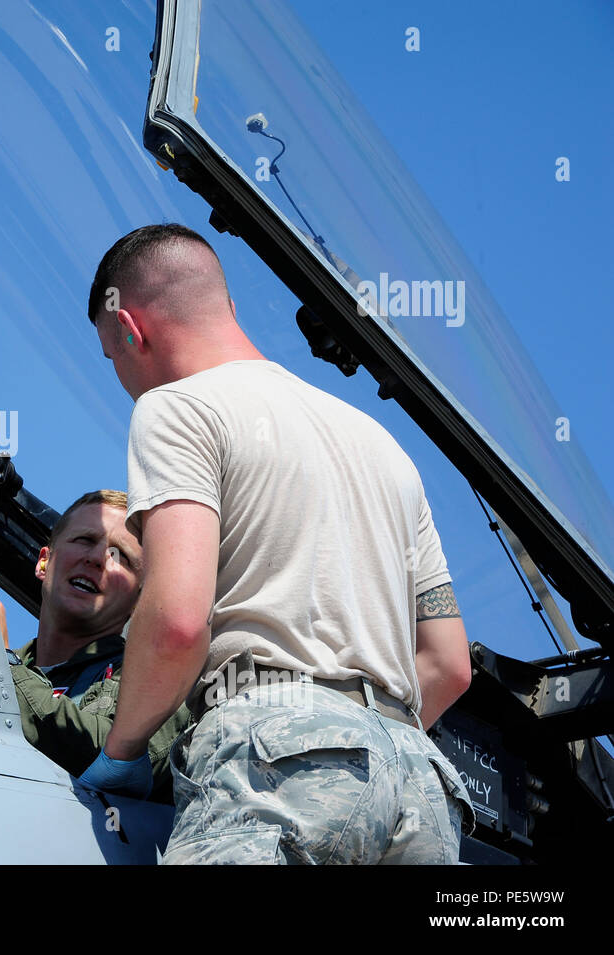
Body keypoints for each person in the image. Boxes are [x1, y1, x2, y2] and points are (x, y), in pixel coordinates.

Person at [76, 223, 475, 863]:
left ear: (130, 330)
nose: (120, 372)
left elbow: (178, 622)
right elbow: (451, 664)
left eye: (111, 354)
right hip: (420, 789)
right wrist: (356, 738)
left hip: (273, 766)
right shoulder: (385, 448)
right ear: (228, 307)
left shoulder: (178, 409)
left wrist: (121, 750)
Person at [10, 489, 186, 803]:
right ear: (44, 562)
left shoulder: (154, 685)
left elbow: (116, 756)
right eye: (85, 540)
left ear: (139, 603)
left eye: (120, 556)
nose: (96, 558)